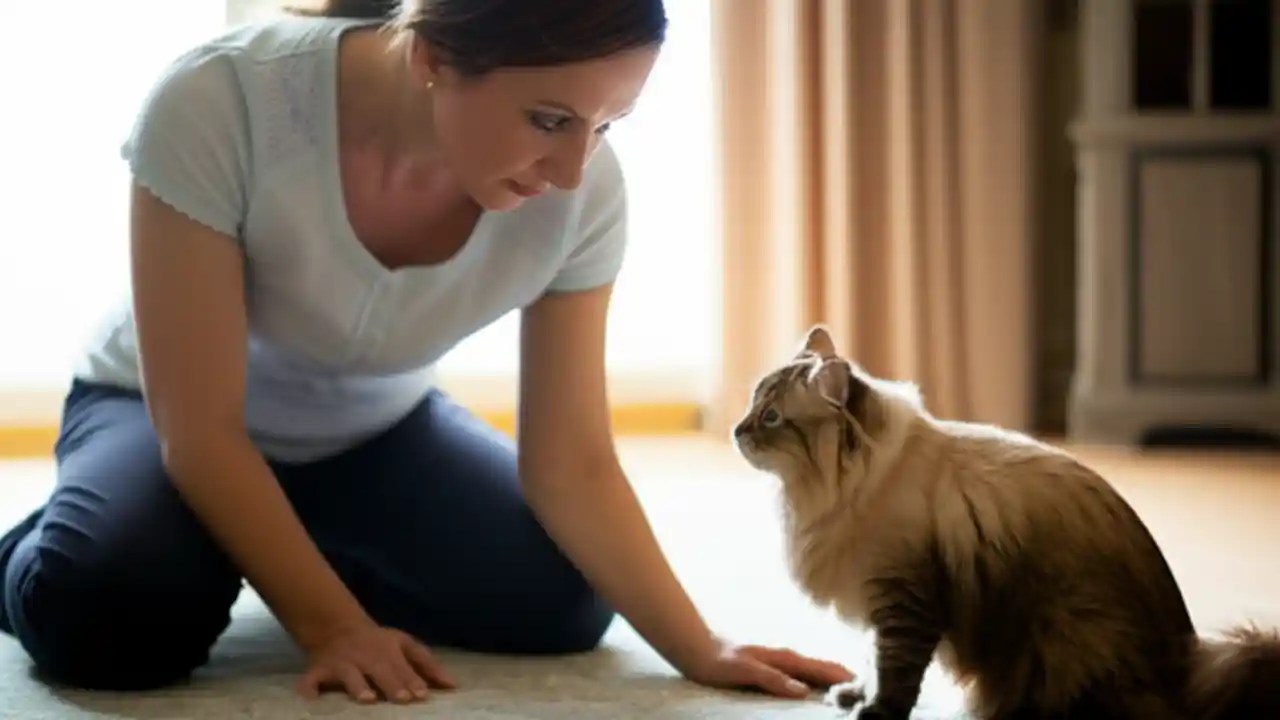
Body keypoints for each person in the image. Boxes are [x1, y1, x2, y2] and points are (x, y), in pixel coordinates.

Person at [0, 0, 854, 706]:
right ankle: (81, 539)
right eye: (549, 120)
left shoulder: (587, 192)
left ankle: (262, 542)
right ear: (434, 54)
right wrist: (332, 625)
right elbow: (202, 430)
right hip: (163, 416)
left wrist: (701, 645)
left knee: (558, 604)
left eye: (605, 125)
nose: (569, 170)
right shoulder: (219, 98)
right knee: (110, 617)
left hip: (373, 428)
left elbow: (573, 463)